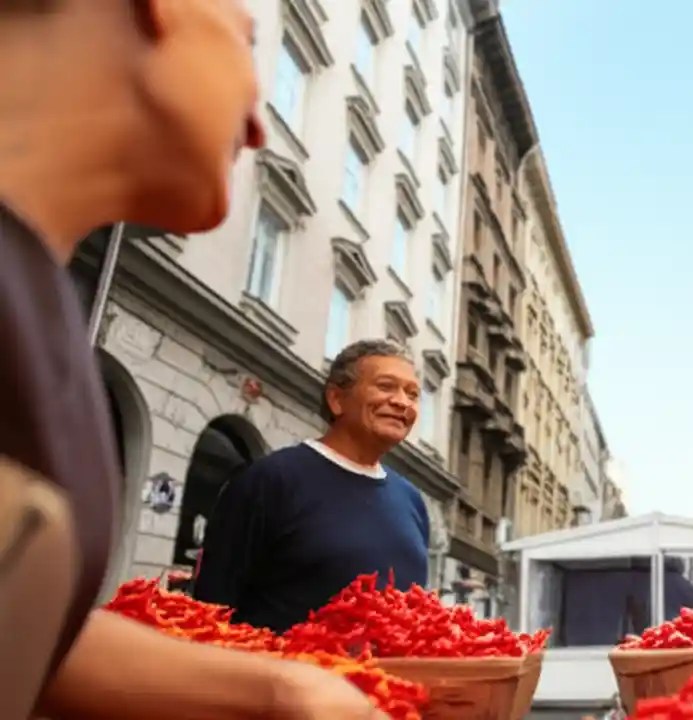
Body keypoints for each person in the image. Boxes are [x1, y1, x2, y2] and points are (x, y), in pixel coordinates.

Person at [0, 1, 388, 717]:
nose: (259, 124)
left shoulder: (37, 302)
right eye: (247, 43)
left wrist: (280, 690)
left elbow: (28, 638)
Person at [194, 340, 432, 632]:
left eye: (413, 394)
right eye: (386, 386)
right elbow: (210, 611)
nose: (402, 402)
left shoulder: (411, 501)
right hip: (281, 673)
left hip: (389, 678)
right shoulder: (270, 480)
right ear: (336, 398)